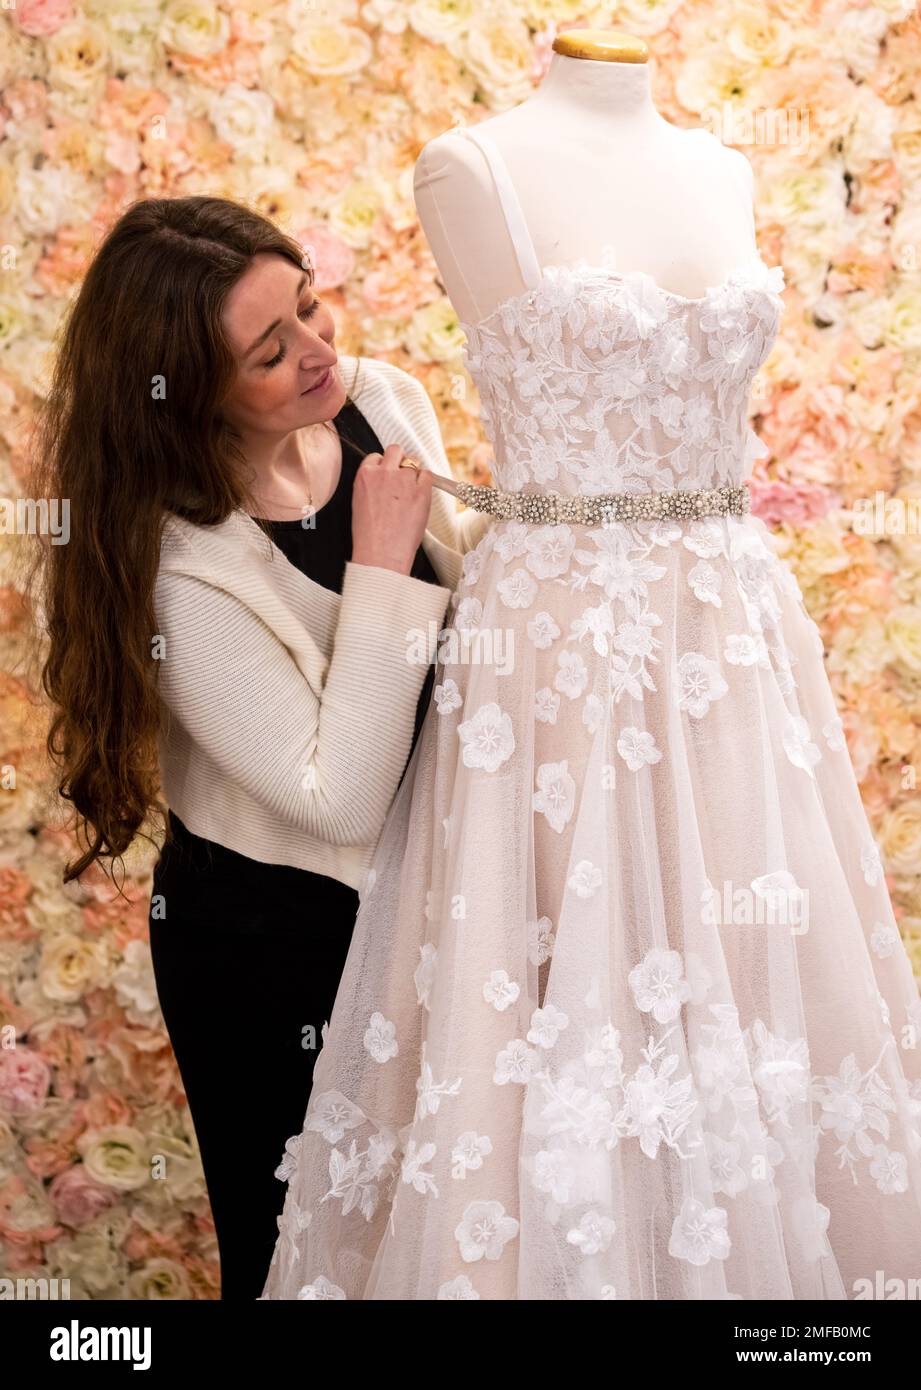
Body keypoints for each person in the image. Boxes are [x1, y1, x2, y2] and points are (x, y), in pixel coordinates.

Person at [24, 195, 488, 1300]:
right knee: (302, 1251)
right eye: (271, 351)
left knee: (438, 1230)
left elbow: (465, 625)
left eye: (313, 311)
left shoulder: (385, 402)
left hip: (421, 901)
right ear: (185, 394)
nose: (320, 354)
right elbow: (340, 799)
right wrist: (379, 565)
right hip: (272, 941)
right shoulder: (181, 563)